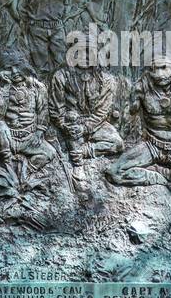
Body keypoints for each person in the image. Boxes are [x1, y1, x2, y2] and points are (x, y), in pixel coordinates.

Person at [105, 56, 171, 197]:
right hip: (151, 145)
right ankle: (158, 177)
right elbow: (130, 116)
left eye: (164, 67)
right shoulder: (141, 88)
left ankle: (166, 173)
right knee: (114, 172)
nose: (160, 74)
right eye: (155, 69)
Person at [48, 42, 124, 203]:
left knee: (117, 144)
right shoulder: (61, 76)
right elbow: (56, 107)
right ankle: (78, 168)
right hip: (71, 123)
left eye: (89, 52)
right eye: (79, 52)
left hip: (95, 124)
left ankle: (82, 151)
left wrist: (86, 128)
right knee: (72, 120)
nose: (84, 56)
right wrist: (64, 125)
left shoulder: (108, 80)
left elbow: (102, 111)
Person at [0, 47, 55, 170]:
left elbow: (43, 111)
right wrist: (5, 89)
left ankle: (26, 170)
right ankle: (7, 164)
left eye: (17, 66)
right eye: (8, 68)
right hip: (6, 139)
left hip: (29, 137)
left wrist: (39, 132)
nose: (14, 72)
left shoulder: (37, 87)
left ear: (25, 65)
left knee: (50, 153)